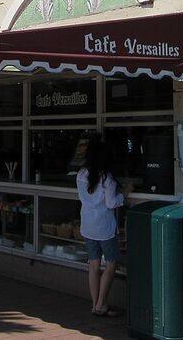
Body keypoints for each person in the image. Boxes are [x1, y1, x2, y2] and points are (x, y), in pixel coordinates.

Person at [77, 134, 131, 317]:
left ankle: (96, 304)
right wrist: (124, 194)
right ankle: (101, 304)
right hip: (104, 227)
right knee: (111, 263)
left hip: (87, 224)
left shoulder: (81, 174)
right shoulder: (107, 178)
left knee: (93, 265)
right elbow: (111, 203)